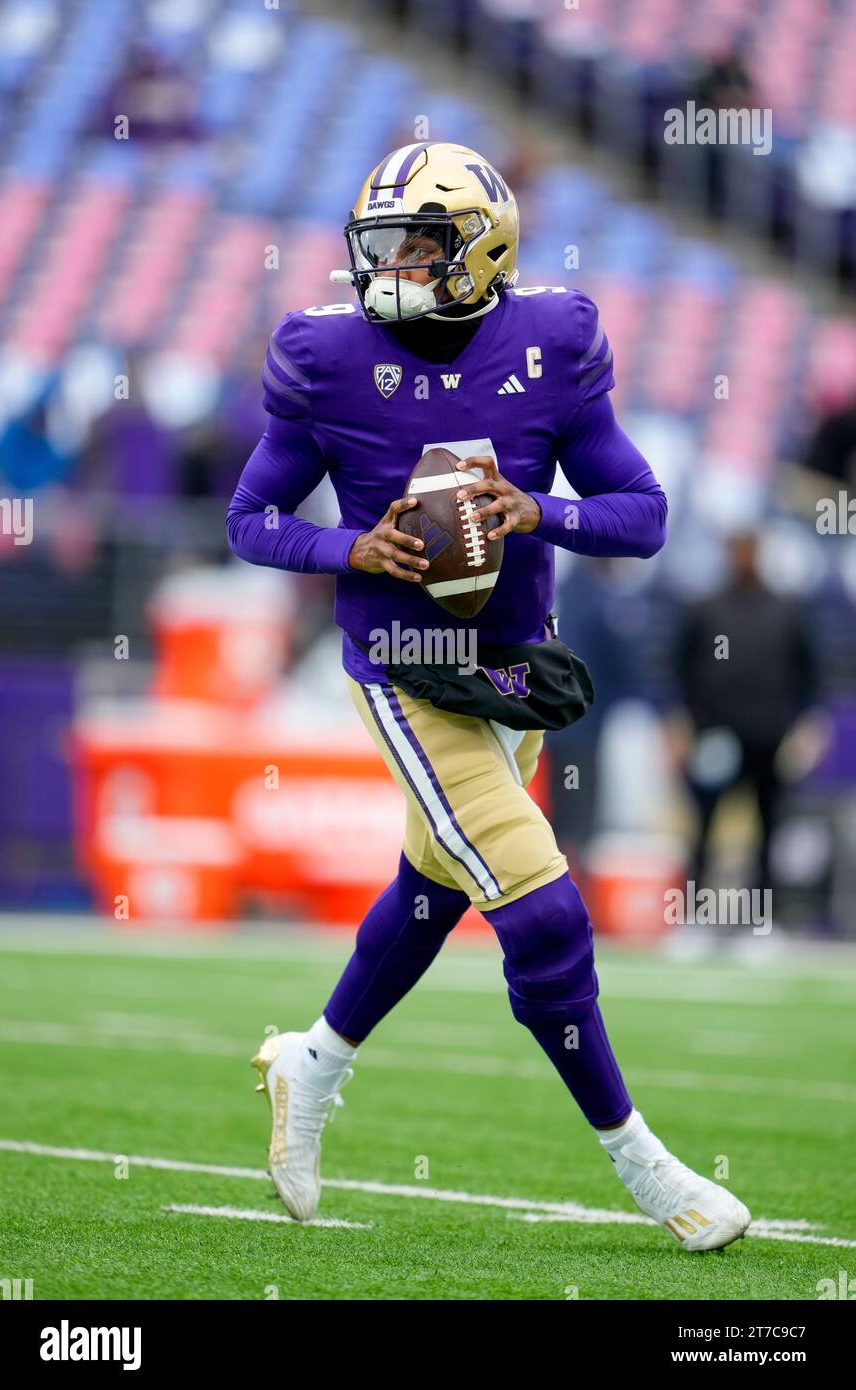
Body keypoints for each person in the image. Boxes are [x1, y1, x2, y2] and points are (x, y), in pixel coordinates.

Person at [227, 141, 750, 1251]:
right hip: (403, 668)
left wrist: (536, 510)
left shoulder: (552, 343)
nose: (392, 265)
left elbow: (641, 513)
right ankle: (644, 1166)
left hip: (510, 667)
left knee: (430, 885)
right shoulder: (325, 356)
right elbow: (249, 520)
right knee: (543, 904)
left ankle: (309, 1064)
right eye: (381, 244)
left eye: (419, 244)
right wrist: (350, 549)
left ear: (481, 250)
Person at [672, 531, 818, 891]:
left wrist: (806, 730)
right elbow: (681, 672)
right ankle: (696, 913)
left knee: (768, 829)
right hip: (714, 736)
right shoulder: (705, 610)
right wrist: (680, 727)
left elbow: (809, 676)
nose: (744, 560)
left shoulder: (786, 611)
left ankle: (764, 920)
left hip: (769, 739)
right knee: (704, 827)